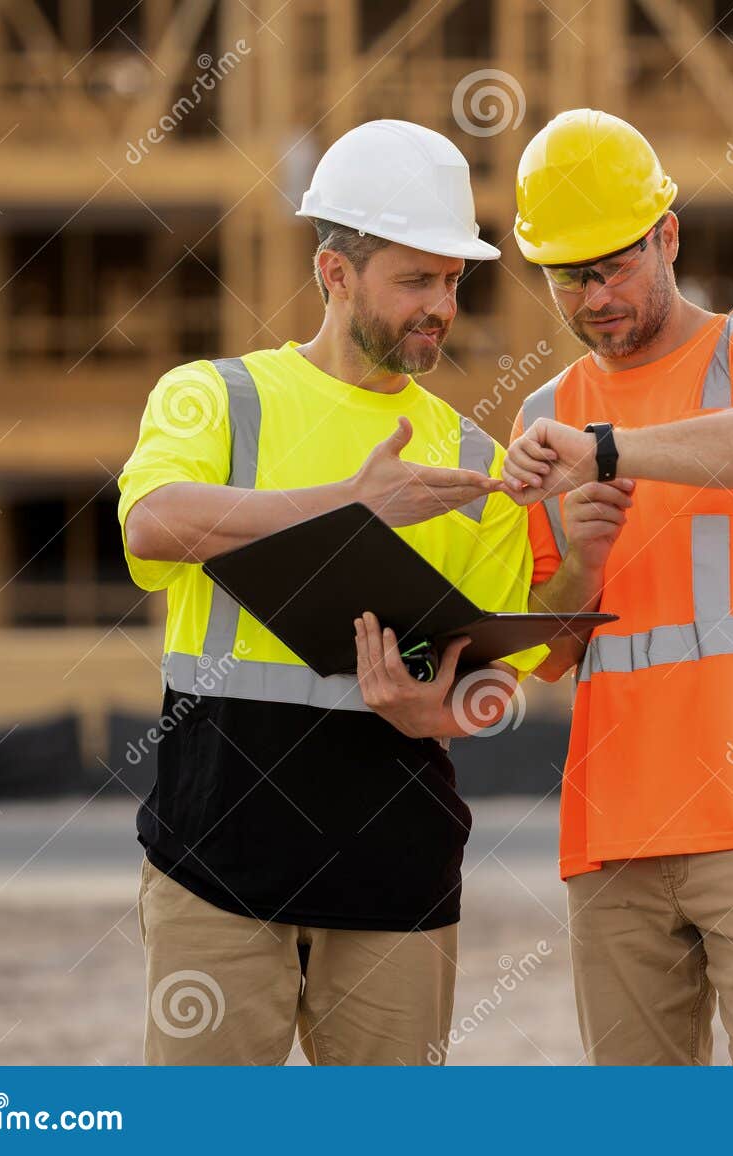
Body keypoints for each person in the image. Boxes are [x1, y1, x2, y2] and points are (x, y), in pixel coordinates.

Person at [117, 120, 542, 1065]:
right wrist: (350, 505)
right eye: (415, 280)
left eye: (453, 282)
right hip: (215, 870)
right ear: (334, 274)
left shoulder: (477, 461)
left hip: (396, 877)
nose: (441, 306)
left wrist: (442, 710)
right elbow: (152, 524)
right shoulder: (216, 399)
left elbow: (491, 680)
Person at [504, 109, 733, 1065]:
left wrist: (613, 449)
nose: (593, 297)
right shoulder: (543, 417)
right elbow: (545, 654)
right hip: (615, 838)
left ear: (668, 236)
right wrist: (578, 560)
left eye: (613, 265)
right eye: (567, 276)